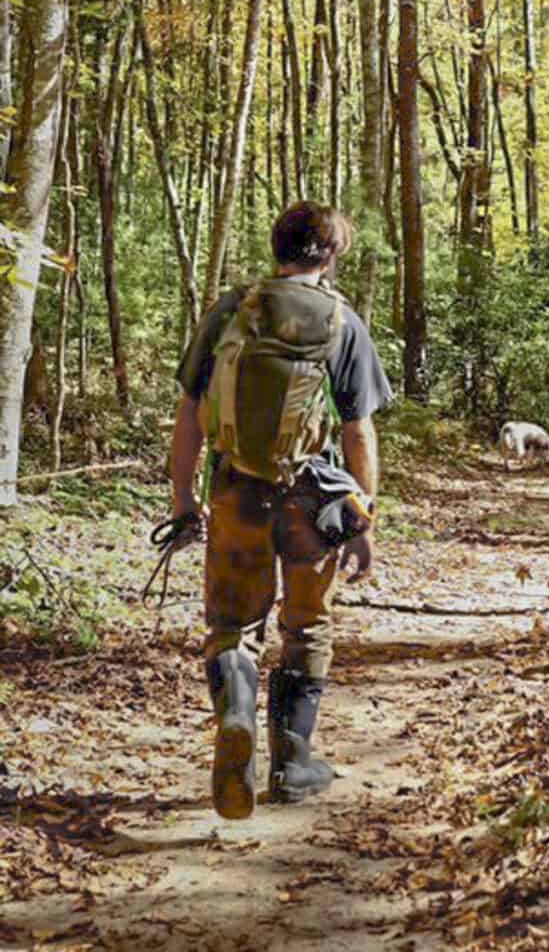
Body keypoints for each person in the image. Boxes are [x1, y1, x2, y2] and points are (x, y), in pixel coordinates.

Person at [170, 201, 393, 820]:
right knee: (307, 626)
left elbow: (189, 413)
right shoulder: (343, 322)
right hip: (313, 500)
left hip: (237, 488)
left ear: (278, 248)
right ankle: (292, 766)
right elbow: (359, 432)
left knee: (232, 627)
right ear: (332, 255)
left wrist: (184, 499)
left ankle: (236, 718)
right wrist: (362, 517)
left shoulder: (233, 310)